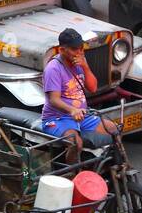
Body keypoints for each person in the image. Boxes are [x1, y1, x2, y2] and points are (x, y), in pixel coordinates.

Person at [42, 27, 117, 163]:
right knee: (76, 143)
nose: (79, 52)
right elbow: (54, 99)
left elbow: (93, 88)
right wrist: (72, 110)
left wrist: (85, 67)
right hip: (58, 118)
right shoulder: (53, 68)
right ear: (62, 50)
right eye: (75, 49)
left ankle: (108, 166)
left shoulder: (80, 61)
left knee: (113, 129)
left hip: (82, 116)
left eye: (81, 48)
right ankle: (73, 176)